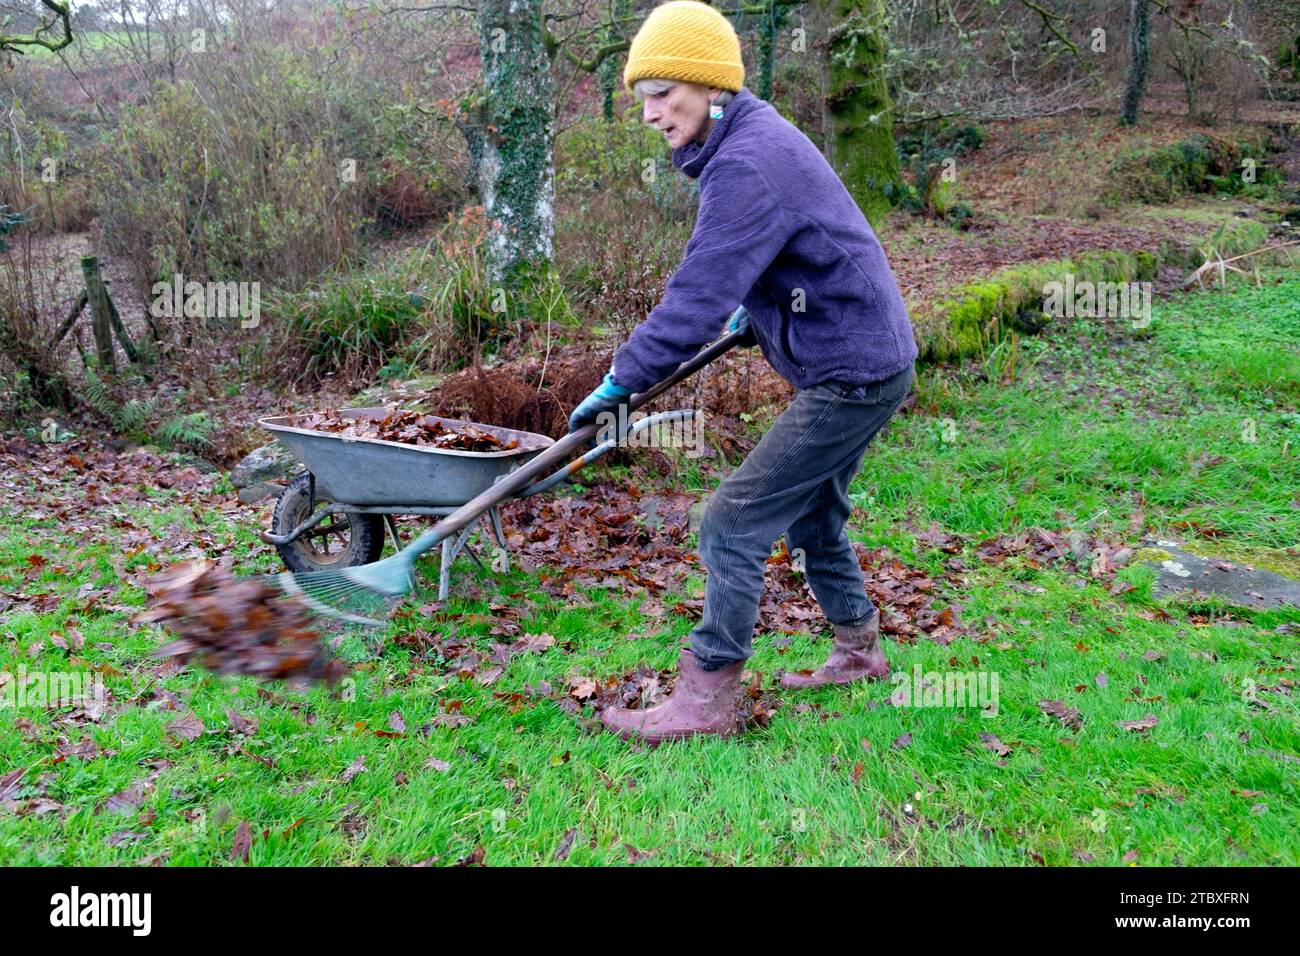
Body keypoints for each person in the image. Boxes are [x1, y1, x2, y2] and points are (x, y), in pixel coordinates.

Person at [567, 0, 918, 746]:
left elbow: (695, 294)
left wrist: (621, 381)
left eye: (663, 94)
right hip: (865, 354)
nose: (650, 114)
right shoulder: (749, 140)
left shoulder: (746, 163)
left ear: (708, 84)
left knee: (732, 520)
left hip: (851, 370)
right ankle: (859, 651)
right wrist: (759, 310)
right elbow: (782, 253)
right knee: (812, 514)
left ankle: (709, 695)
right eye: (641, 99)